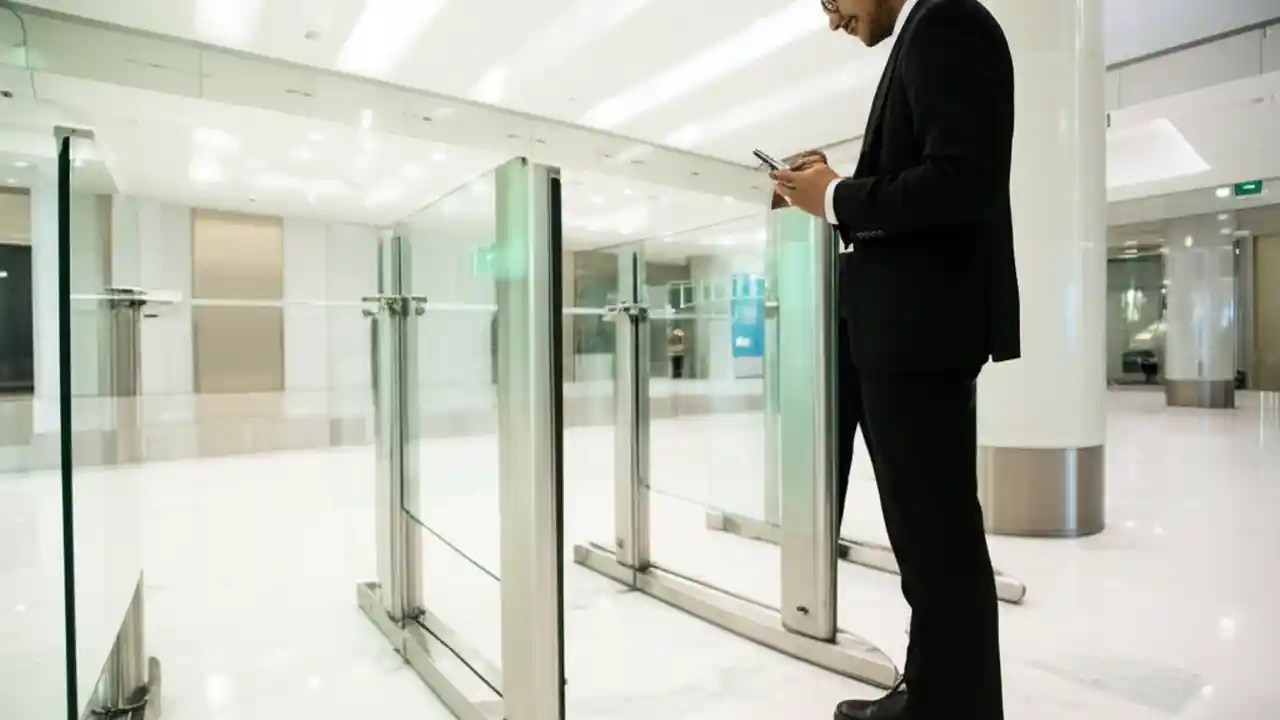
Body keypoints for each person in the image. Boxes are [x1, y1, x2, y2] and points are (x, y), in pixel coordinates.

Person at [772, 0, 1019, 718]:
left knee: (938, 545)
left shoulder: (947, 23)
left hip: (921, 341)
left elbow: (963, 181)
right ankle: (935, 696)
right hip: (906, 339)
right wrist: (832, 189)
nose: (832, 19)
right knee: (926, 544)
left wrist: (841, 197)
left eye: (831, 1)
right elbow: (929, 187)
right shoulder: (926, 31)